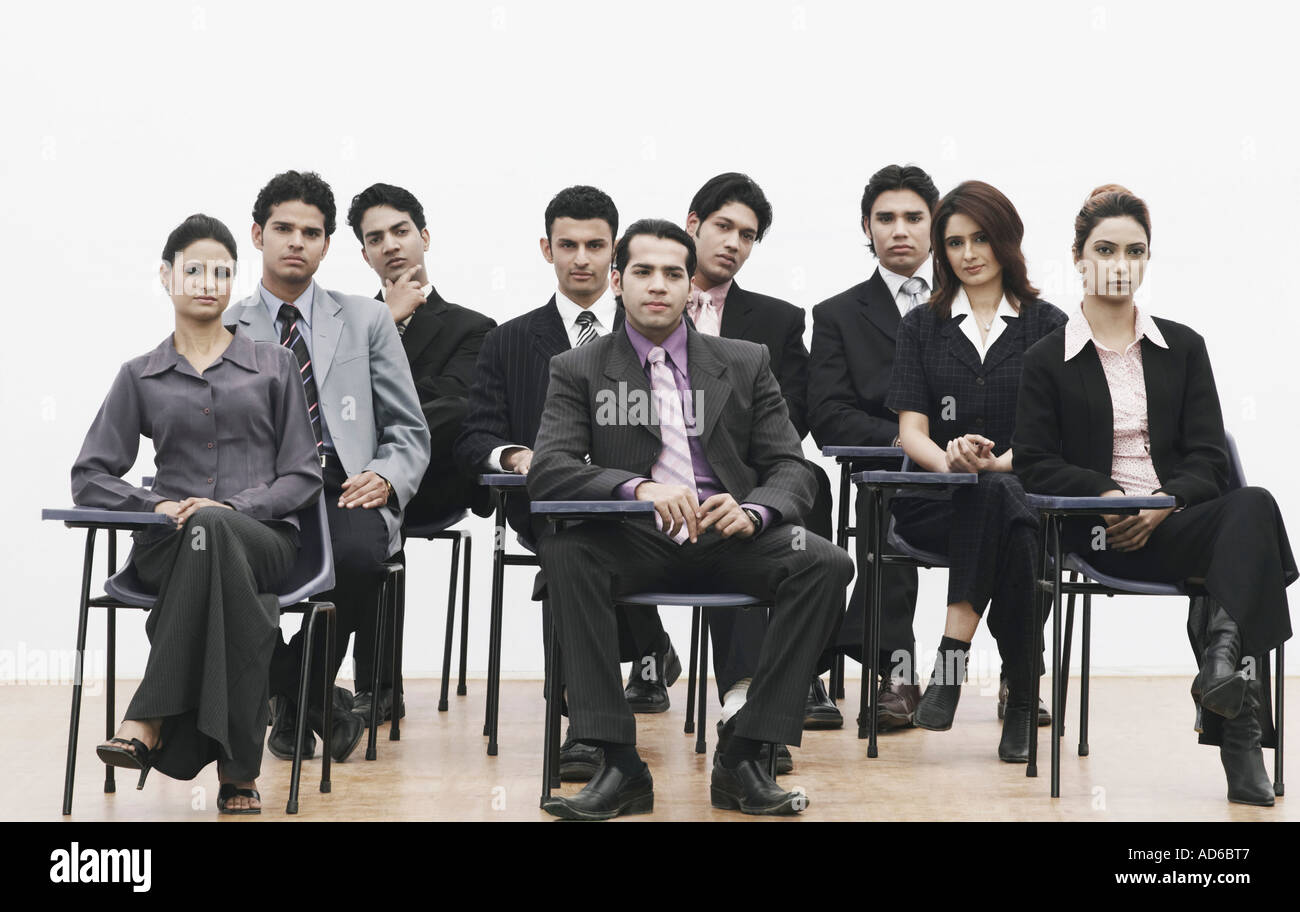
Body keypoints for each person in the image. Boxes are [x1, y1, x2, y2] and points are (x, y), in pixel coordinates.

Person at [529, 219, 853, 819]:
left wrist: (754, 509)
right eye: (644, 272)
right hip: (635, 540)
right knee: (566, 552)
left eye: (673, 273)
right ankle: (617, 761)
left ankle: (747, 751)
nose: (659, 285)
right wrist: (636, 488)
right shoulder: (577, 368)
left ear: (690, 287)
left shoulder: (745, 361)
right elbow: (549, 469)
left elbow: (793, 467)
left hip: (729, 536)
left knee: (825, 561)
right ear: (618, 282)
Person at [1014, 184, 1296, 805]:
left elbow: (1208, 458)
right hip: (1100, 533)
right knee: (1248, 559)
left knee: (1255, 503)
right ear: (1080, 258)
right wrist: (1110, 495)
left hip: (1176, 524)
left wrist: (1162, 501)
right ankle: (1237, 729)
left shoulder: (1184, 347)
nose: (1120, 263)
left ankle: (1219, 667)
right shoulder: (1045, 359)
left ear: (1146, 260)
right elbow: (1034, 464)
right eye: (1105, 249)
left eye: (1134, 251)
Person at [74, 214, 322, 814]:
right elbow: (90, 476)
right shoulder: (139, 374)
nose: (208, 282)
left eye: (221, 271)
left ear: (233, 281)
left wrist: (232, 507)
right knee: (250, 608)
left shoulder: (274, 365)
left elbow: (304, 474)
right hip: (169, 545)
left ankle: (150, 719)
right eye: (194, 269)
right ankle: (240, 774)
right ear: (167, 276)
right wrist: (154, 503)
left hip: (262, 541)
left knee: (212, 526)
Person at [454, 185, 665, 780]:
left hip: (644, 509)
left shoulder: (657, 332)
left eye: (595, 245)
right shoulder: (510, 339)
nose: (581, 258)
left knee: (578, 552)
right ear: (546, 249)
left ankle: (610, 698)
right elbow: (473, 437)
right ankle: (582, 716)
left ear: (615, 253)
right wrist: (517, 455)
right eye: (567, 245)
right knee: (569, 543)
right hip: (549, 505)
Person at [224, 171, 430, 763]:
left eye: (311, 233)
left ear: (327, 245)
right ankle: (316, 699)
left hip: (347, 486)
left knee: (365, 556)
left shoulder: (365, 318)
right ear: (258, 235)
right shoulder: (227, 327)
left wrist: (388, 475)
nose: (296, 242)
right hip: (258, 495)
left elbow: (409, 428)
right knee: (220, 569)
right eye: (283, 229)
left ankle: (287, 689)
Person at [886, 180, 1067, 762]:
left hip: (1025, 493)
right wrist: (952, 462)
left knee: (1004, 499)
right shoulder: (921, 326)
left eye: (981, 238)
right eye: (955, 242)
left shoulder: (1050, 325)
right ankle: (1022, 696)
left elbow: (1057, 435)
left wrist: (997, 463)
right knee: (1003, 510)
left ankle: (950, 664)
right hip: (938, 500)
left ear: (1007, 240)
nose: (968, 253)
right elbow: (912, 430)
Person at [671, 172, 837, 741]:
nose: (734, 244)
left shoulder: (778, 319)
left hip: (743, 474)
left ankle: (791, 675)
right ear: (692, 224)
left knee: (805, 479)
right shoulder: (641, 297)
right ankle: (721, 679)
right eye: (723, 227)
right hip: (658, 475)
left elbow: (795, 411)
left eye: (748, 235)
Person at [346, 182, 496, 723]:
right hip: (352, 483)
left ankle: (377, 688)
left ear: (425, 237)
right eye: (375, 238)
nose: (390, 245)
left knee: (377, 510)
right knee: (342, 512)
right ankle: (299, 682)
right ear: (364, 254)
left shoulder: (472, 328)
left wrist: (375, 449)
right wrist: (380, 320)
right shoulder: (344, 327)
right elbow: (328, 406)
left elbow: (452, 408)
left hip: (432, 483)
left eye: (401, 231)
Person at [807, 164, 935, 731]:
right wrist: (906, 441)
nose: (900, 229)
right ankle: (896, 673)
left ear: (936, 227)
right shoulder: (837, 314)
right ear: (867, 227)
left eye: (914, 217)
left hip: (977, 467)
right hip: (890, 467)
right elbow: (827, 414)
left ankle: (1017, 678)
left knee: (1029, 520)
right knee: (890, 505)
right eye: (886, 218)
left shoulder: (976, 303)